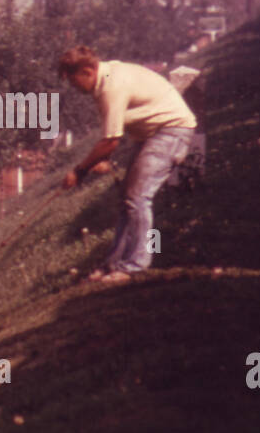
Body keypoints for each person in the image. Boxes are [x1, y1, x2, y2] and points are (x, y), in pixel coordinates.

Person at [58, 46, 197, 283]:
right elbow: (114, 133)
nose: (74, 88)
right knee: (128, 198)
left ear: (88, 70)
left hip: (172, 131)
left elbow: (111, 140)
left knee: (138, 197)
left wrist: (79, 171)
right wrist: (102, 157)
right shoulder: (105, 80)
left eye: (74, 81)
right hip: (153, 134)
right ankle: (114, 263)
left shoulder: (111, 86)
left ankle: (137, 264)